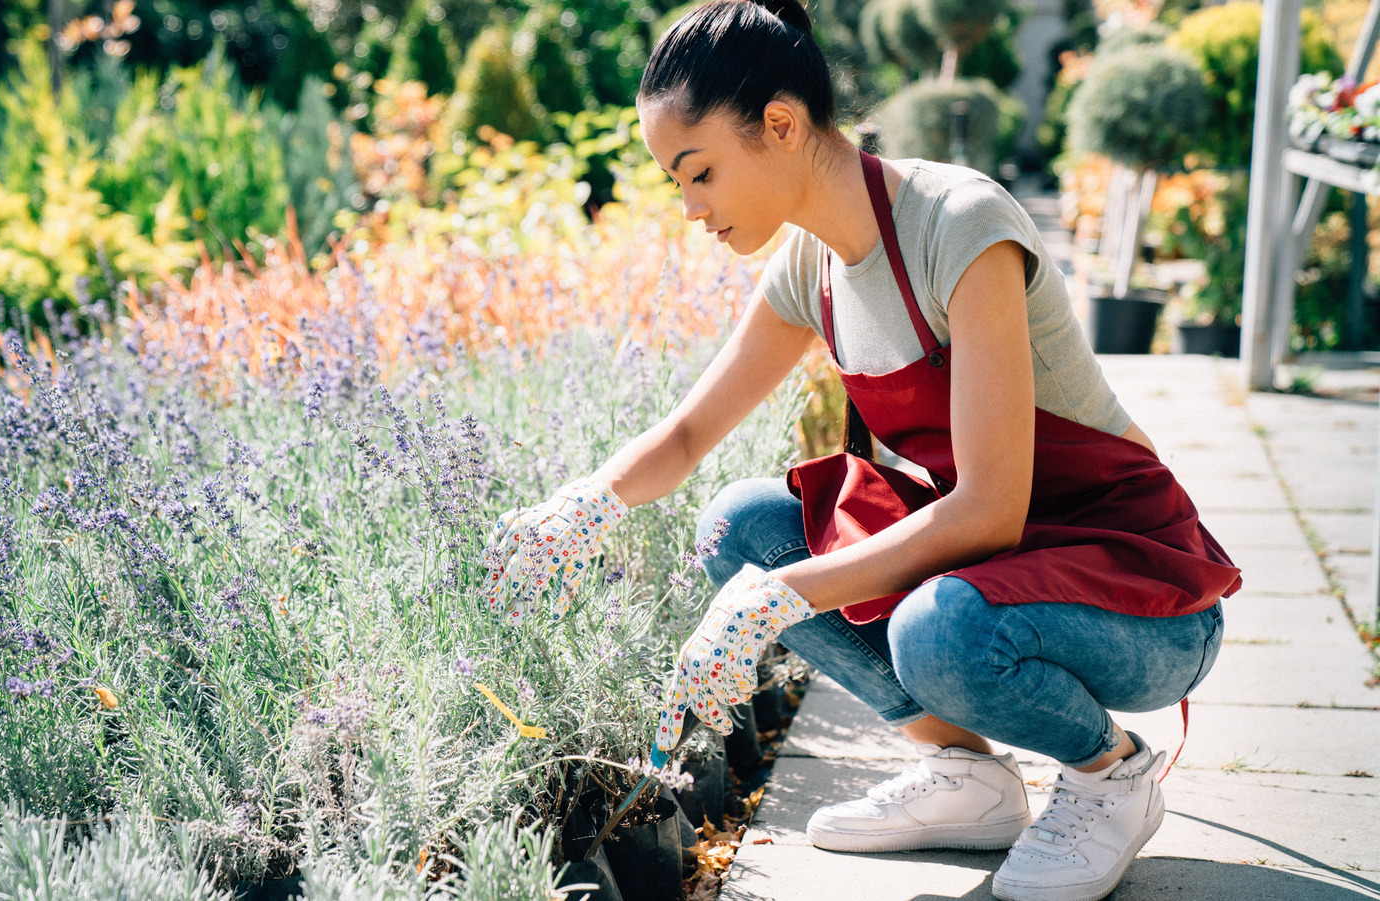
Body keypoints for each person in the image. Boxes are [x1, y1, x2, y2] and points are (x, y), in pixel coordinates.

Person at [480, 1, 1242, 899]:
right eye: (675, 184)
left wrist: (781, 598)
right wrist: (585, 503)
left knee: (936, 629)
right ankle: (966, 777)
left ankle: (1112, 773)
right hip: (1008, 572)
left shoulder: (959, 225)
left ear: (781, 125)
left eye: (700, 173)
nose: (690, 209)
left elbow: (992, 508)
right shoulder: (810, 266)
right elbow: (689, 433)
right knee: (746, 528)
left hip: (1143, 592)